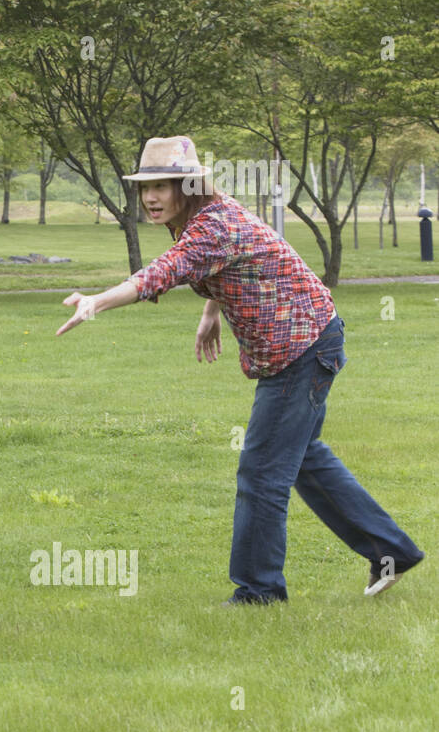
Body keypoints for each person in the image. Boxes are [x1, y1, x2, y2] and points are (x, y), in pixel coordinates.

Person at [55, 136, 424, 604]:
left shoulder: (209, 226)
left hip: (301, 349)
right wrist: (211, 312)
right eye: (145, 187)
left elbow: (160, 274)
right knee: (303, 458)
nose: (151, 197)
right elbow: (227, 267)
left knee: (263, 472)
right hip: (309, 339)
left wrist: (96, 303)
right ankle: (392, 551)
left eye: (163, 186)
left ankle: (259, 592)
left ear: (186, 185)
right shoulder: (200, 219)